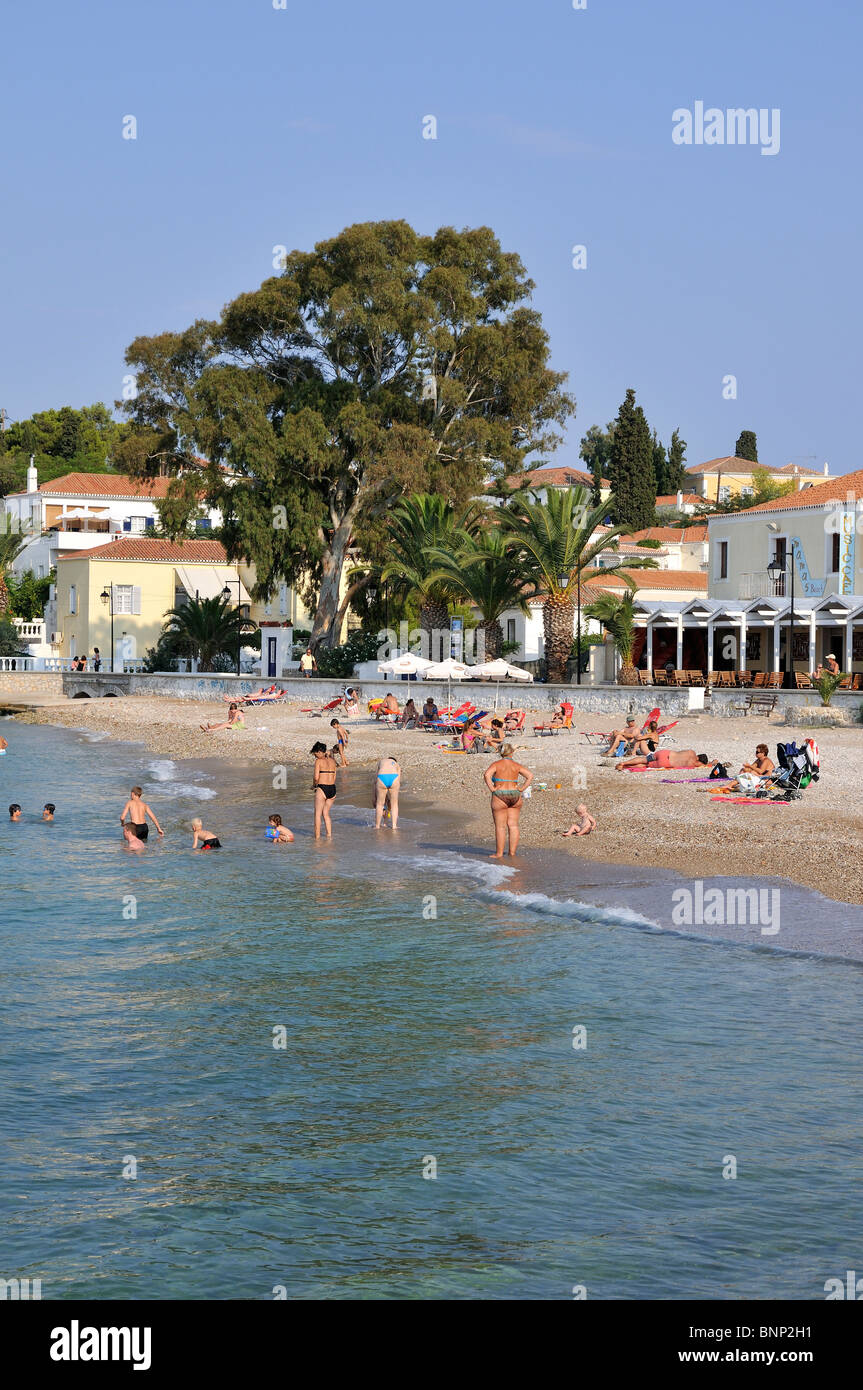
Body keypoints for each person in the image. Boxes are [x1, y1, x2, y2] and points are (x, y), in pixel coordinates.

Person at [483, 744, 533, 859]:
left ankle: (499, 854)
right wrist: (521, 788)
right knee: (513, 825)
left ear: (501, 753)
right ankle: (512, 853)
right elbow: (530, 775)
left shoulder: (496, 764)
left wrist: (492, 788)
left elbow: (487, 775)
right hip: (515, 795)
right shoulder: (516, 765)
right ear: (512, 753)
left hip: (500, 795)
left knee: (500, 827)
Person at [311, 741, 337, 838]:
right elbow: (334, 777)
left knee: (317, 814)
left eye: (315, 754)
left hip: (322, 788)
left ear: (319, 752)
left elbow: (316, 777)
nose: (315, 756)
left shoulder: (318, 761)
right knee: (326, 814)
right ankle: (329, 836)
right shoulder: (332, 761)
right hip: (332, 788)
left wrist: (314, 786)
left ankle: (317, 838)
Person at [616, 748, 716, 771]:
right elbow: (706, 766)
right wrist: (713, 763)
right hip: (666, 762)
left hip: (665, 753)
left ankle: (624, 762)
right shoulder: (695, 763)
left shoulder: (691, 752)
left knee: (645, 759)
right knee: (646, 765)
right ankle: (625, 767)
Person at [374, 756, 401, 830]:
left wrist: (374, 796)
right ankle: (394, 826)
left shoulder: (381, 761)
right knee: (394, 804)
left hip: (382, 777)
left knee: (379, 804)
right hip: (394, 778)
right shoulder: (397, 765)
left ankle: (377, 826)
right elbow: (399, 780)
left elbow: (375, 780)